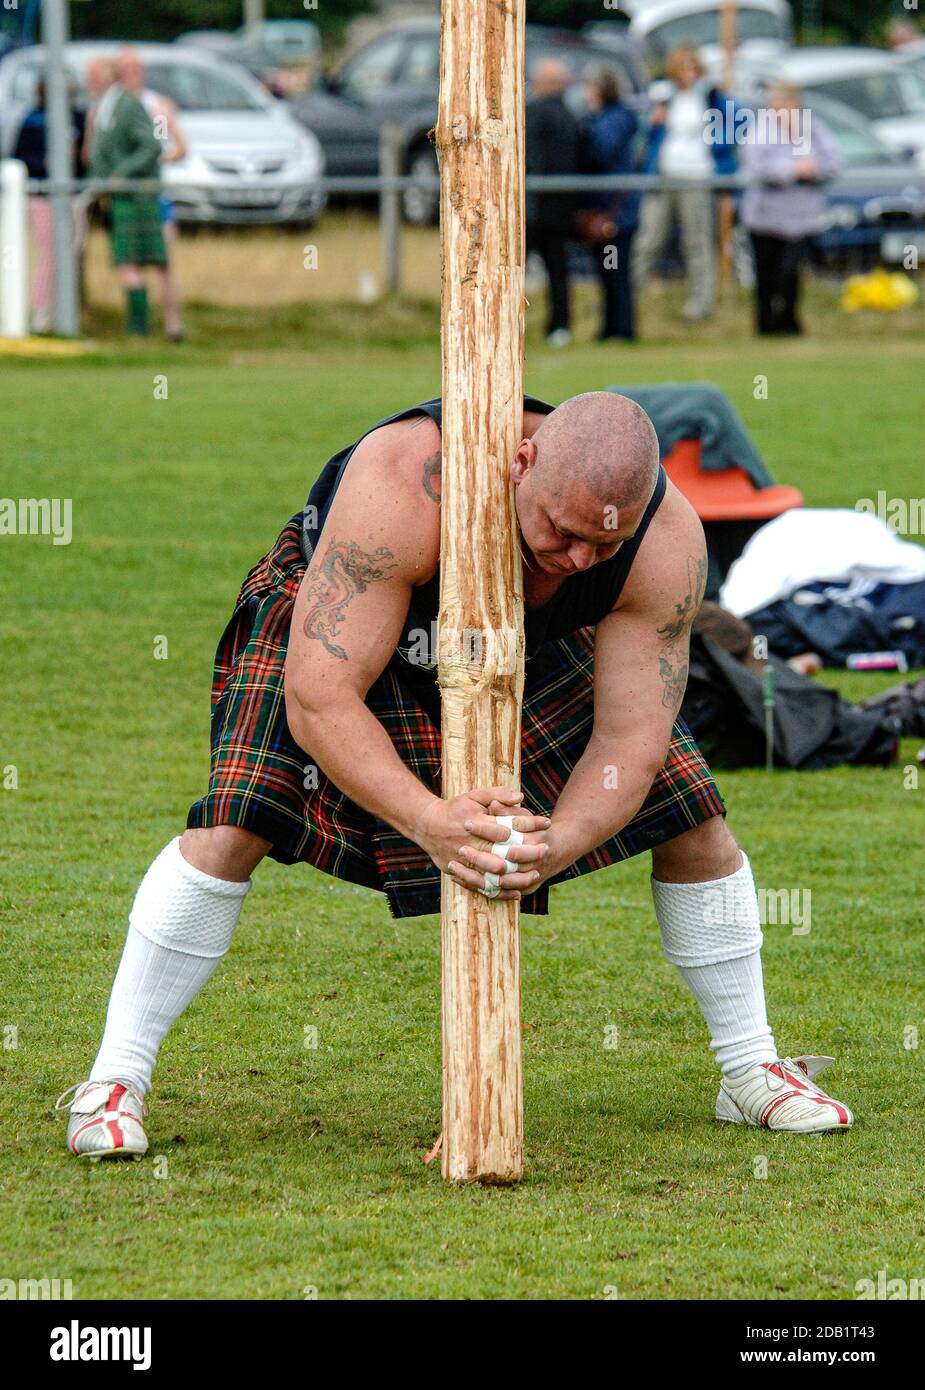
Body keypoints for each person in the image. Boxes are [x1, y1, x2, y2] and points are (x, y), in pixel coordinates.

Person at [56, 392, 854, 1158]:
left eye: (600, 548)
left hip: (529, 644)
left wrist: (559, 841)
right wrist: (431, 820)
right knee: (239, 816)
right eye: (561, 529)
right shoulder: (405, 485)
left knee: (694, 816)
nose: (578, 557)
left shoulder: (663, 538)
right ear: (520, 460)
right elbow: (320, 700)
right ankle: (114, 1079)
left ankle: (749, 1067)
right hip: (340, 633)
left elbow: (632, 738)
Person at [632, 46, 738, 324]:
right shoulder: (665, 97)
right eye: (683, 67)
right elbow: (642, 134)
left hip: (697, 176)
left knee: (697, 242)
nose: (689, 73)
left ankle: (700, 304)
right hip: (664, 174)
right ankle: (628, 300)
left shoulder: (710, 97)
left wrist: (718, 142)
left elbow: (738, 123)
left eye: (693, 67)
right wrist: (652, 121)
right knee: (649, 240)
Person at [740, 84, 841, 336]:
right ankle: (765, 325)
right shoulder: (761, 129)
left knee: (790, 273)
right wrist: (792, 169)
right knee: (765, 274)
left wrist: (813, 168)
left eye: (785, 103)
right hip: (764, 216)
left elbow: (833, 161)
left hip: (800, 217)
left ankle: (789, 323)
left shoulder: (812, 129)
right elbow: (755, 164)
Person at [86, 55, 166, 336]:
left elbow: (151, 147)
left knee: (128, 262)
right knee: (125, 263)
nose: (90, 81)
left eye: (95, 75)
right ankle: (137, 330)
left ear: (110, 77)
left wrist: (120, 175)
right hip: (117, 198)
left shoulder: (128, 104)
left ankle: (140, 331)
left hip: (134, 197)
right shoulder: (105, 106)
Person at [118, 47, 187, 342]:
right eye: (125, 68)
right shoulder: (113, 107)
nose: (132, 74)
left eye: (136, 68)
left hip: (156, 196)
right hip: (128, 198)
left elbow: (181, 148)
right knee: (129, 261)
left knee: (164, 263)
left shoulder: (159, 106)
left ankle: (173, 325)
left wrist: (154, 161)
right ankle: (139, 330)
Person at [12, 79, 86, 334]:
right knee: (50, 253)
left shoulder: (76, 118)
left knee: (71, 251)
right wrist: (45, 164)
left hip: (71, 196)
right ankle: (40, 313)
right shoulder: (33, 119)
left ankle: (66, 312)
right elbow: (18, 157)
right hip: (41, 196)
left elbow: (85, 155)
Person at [579, 64, 640, 342]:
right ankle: (613, 326)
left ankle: (621, 328)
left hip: (615, 214)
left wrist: (583, 138)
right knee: (609, 273)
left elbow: (601, 152)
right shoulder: (608, 118)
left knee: (615, 271)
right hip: (612, 210)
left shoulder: (613, 120)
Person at [526, 59, 581, 347]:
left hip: (532, 209)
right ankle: (560, 327)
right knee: (559, 272)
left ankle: (508, 327)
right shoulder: (571, 117)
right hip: (561, 210)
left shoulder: (532, 115)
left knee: (511, 273)